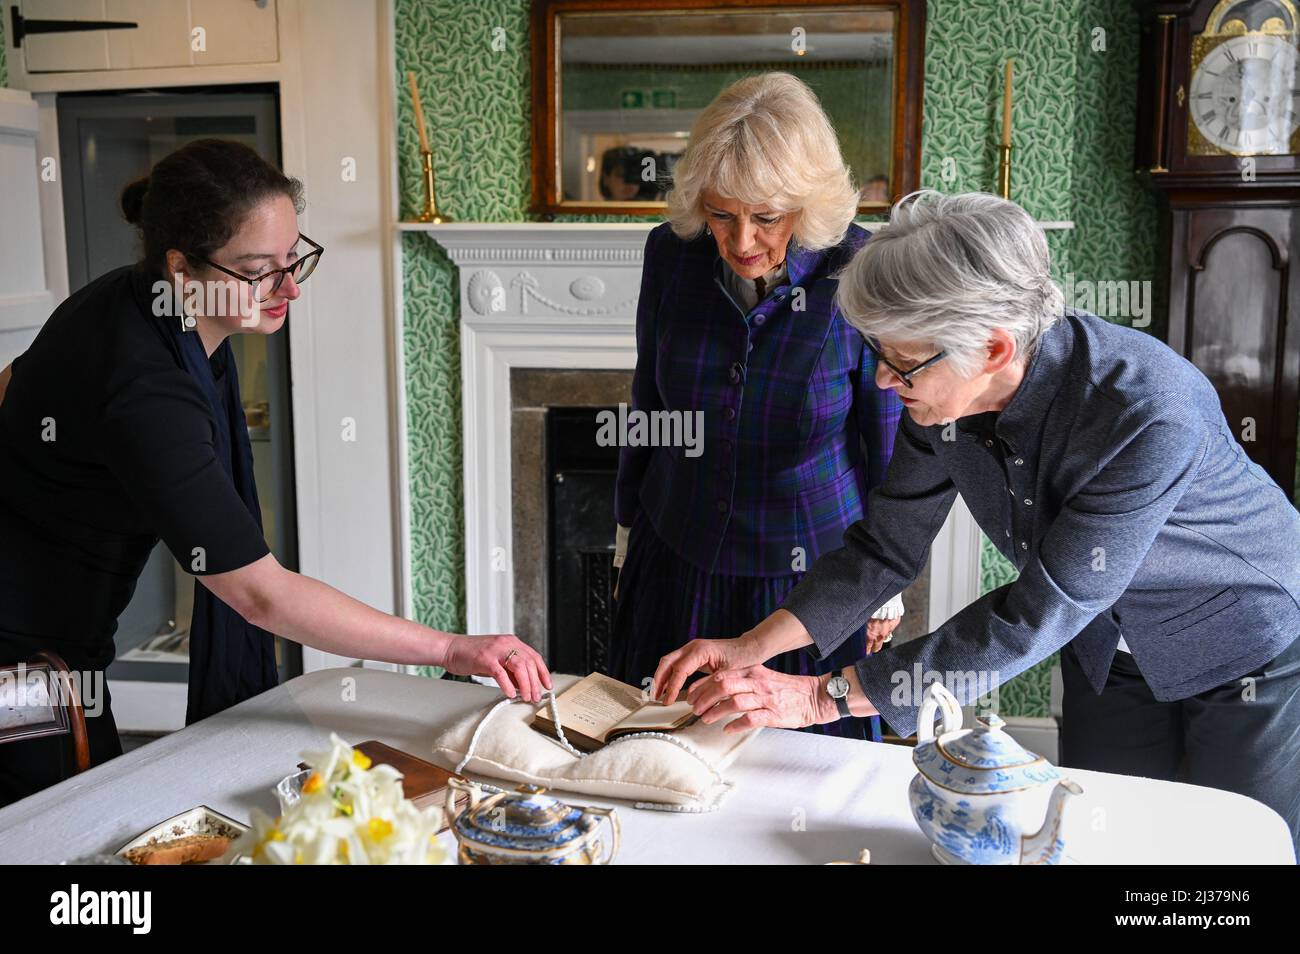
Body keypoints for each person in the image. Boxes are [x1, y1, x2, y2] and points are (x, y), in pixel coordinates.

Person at [652, 190, 1300, 854]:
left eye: (900, 364)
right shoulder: (941, 400)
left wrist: (824, 699)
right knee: (1103, 840)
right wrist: (753, 646)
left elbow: (1037, 610)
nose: (881, 381)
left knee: (1232, 848)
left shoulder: (1146, 409)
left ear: (991, 348)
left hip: (1242, 640)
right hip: (1106, 649)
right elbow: (883, 547)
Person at [0, 139, 550, 808]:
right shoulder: (146, 386)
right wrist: (454, 648)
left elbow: (11, 384)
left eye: (292, 258)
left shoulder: (139, 300)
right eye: (260, 269)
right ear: (181, 267)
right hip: (22, 657)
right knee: (54, 825)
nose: (288, 286)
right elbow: (260, 595)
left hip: (61, 631)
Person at [610, 73, 906, 742]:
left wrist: (884, 581)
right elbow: (649, 399)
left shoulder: (861, 268)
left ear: (808, 203)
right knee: (663, 754)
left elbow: (887, 440)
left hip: (807, 586)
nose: (741, 239)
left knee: (797, 781)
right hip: (677, 553)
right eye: (721, 212)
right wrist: (630, 529)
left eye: (767, 217)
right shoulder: (669, 255)